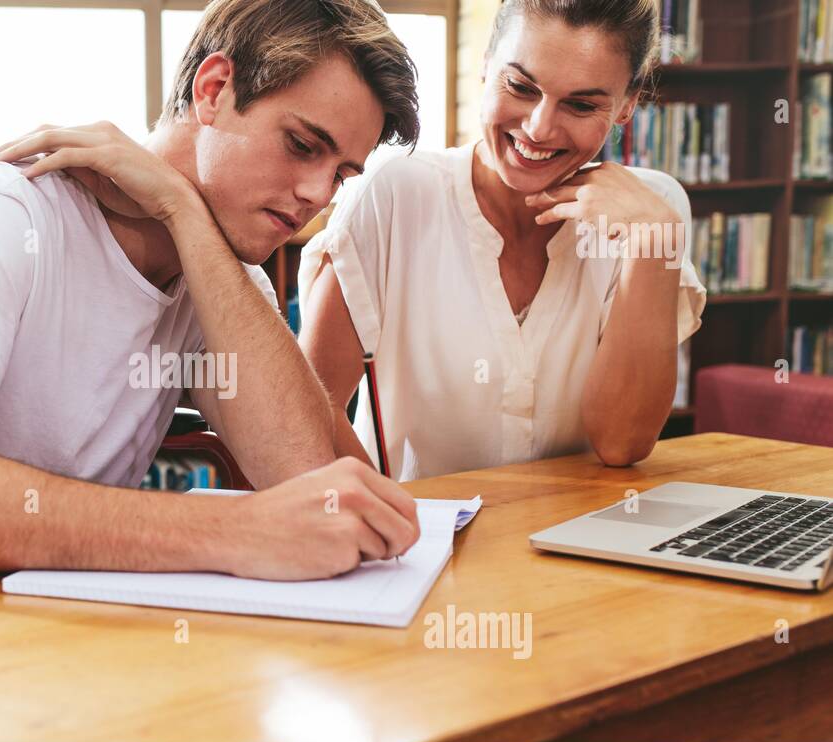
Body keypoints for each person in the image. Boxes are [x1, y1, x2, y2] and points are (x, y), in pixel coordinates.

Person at [0, 0, 423, 659]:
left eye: (340, 174)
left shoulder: (219, 274)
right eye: (302, 145)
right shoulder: (1, 213)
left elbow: (320, 484)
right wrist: (232, 528)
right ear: (214, 90)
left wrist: (180, 210)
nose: (316, 195)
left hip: (25, 624)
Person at [298, 0, 707, 481]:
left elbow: (623, 443)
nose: (539, 128)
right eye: (520, 86)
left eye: (580, 104)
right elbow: (304, 418)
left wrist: (650, 249)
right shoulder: (394, 195)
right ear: (485, 67)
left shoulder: (653, 211)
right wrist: (394, 524)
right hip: (420, 543)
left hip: (580, 538)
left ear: (627, 105)